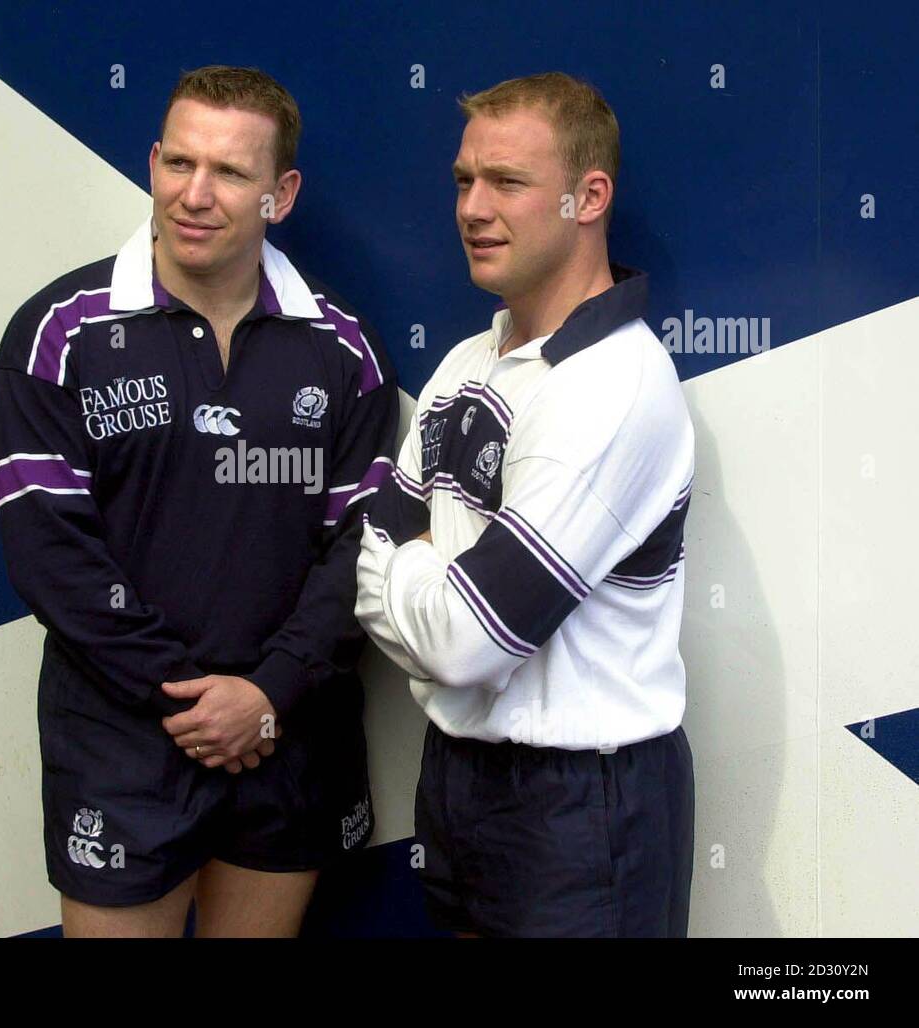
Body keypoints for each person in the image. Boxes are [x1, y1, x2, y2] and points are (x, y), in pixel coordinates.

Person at [0, 65, 399, 937]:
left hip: (287, 736)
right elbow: (48, 553)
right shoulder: (60, 333)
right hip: (122, 742)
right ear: (152, 162)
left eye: (230, 173)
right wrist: (189, 699)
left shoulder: (343, 348)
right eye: (179, 163)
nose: (195, 195)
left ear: (280, 194)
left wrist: (266, 694)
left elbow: (362, 547)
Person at [356, 72, 696, 938]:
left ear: (589, 197)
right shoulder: (470, 359)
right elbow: (369, 544)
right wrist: (421, 574)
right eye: (464, 180)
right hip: (457, 783)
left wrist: (420, 561)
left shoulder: (615, 384)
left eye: (506, 182)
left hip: (585, 808)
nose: (472, 207)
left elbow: (469, 643)